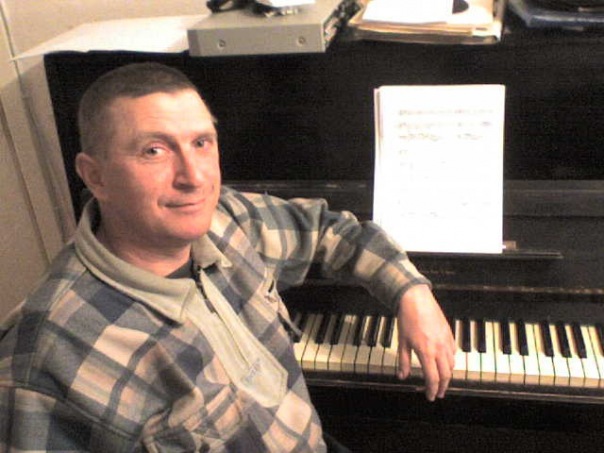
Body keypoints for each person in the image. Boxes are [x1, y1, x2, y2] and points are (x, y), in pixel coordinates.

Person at [0, 62, 455, 452]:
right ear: (95, 176)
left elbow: (330, 230)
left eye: (201, 143)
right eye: (154, 151)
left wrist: (411, 292)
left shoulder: (226, 218)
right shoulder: (45, 361)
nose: (194, 177)